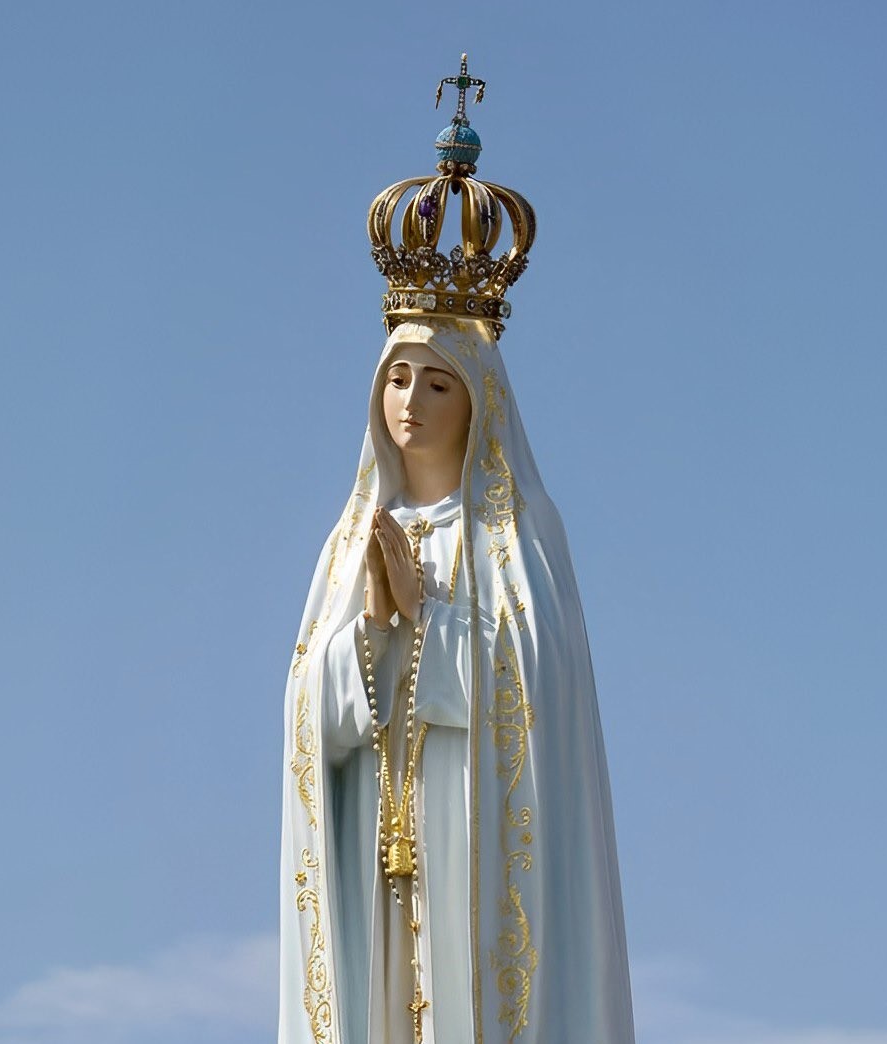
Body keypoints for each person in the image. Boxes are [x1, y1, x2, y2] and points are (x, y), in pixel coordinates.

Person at [279, 57, 635, 1044]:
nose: (408, 406)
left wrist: (431, 625)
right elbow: (306, 717)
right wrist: (369, 639)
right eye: (397, 380)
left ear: (477, 401)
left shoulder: (518, 538)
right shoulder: (348, 541)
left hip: (471, 862)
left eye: (435, 385)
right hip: (375, 879)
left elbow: (535, 698)